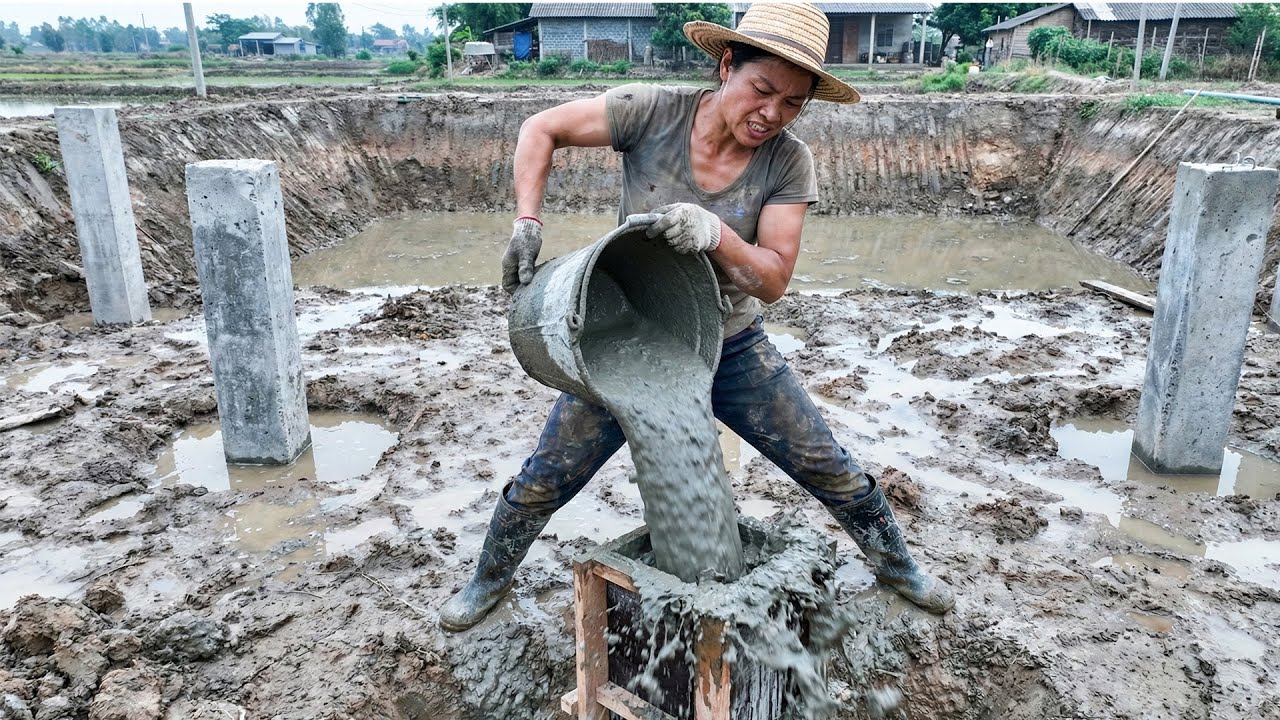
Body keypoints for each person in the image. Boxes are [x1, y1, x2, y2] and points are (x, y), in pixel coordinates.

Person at [439, 2, 955, 632]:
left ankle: (899, 569)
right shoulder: (651, 111)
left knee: (827, 466)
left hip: (733, 342)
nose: (771, 114)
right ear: (727, 64)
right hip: (626, 338)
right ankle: (487, 581)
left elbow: (773, 280)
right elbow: (540, 128)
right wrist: (526, 221)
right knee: (548, 474)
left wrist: (717, 235)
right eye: (762, 90)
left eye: (792, 104)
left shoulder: (788, 162)